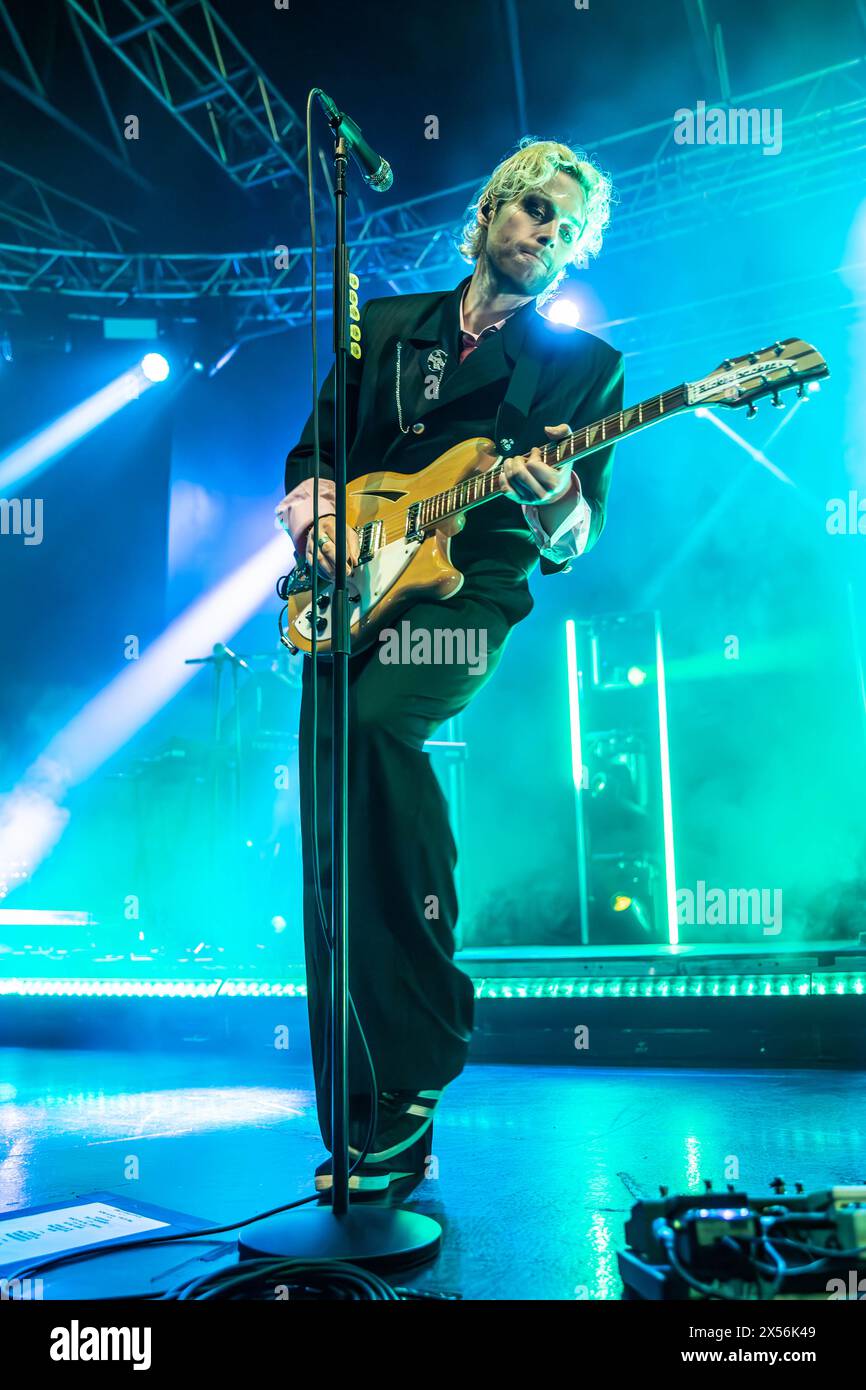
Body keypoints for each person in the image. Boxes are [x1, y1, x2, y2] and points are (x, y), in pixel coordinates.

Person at [278, 138, 624, 1198]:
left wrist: (546, 490)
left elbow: (573, 541)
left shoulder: (582, 368)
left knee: (381, 730)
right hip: (352, 593)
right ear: (486, 212)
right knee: (330, 815)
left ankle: (423, 1055)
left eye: (566, 229)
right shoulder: (383, 330)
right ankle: (363, 1107)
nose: (546, 234)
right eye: (532, 209)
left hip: (466, 595)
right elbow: (312, 455)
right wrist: (317, 522)